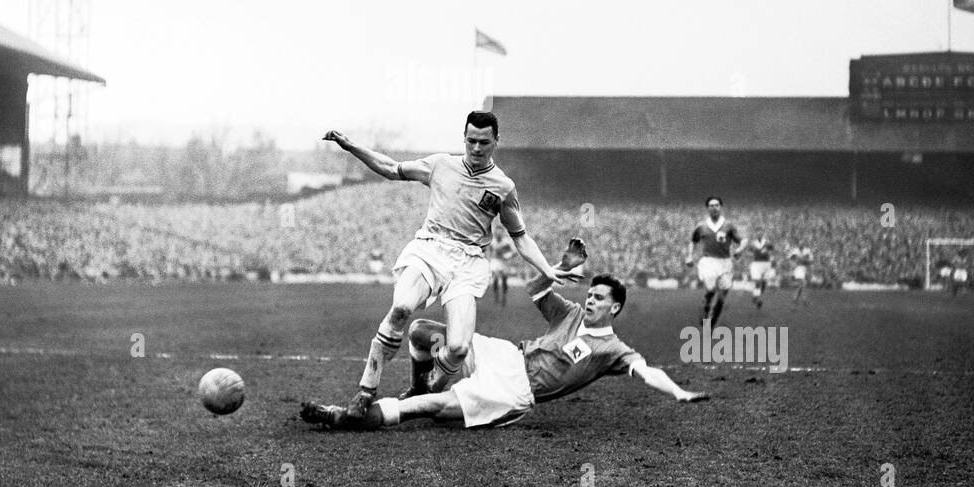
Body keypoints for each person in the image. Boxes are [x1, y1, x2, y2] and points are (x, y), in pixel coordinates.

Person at [299, 238, 705, 431]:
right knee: (422, 330)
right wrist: (557, 267)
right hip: (506, 354)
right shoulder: (571, 313)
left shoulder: (613, 348)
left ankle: (340, 416)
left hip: (515, 391)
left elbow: (647, 370)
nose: (592, 299)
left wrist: (678, 392)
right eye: (591, 293)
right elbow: (535, 291)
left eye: (600, 298)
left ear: (615, 307)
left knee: (426, 410)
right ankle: (417, 384)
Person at [322, 111, 565, 417]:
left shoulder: (503, 187)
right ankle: (366, 391)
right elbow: (390, 168)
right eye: (471, 141)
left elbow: (521, 237)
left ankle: (426, 390)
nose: (476, 148)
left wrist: (547, 269)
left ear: (496, 142)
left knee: (459, 348)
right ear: (464, 138)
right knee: (401, 308)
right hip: (431, 249)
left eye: (484, 142)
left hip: (468, 263)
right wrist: (351, 146)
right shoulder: (441, 165)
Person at [685, 196, 742, 327]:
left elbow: (742, 240)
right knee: (710, 289)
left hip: (725, 263)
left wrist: (740, 249)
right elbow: (693, 242)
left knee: (722, 298)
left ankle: (712, 321)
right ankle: (705, 311)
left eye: (716, 205)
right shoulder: (701, 226)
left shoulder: (728, 225)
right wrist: (689, 256)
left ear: (720, 207)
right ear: (707, 208)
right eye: (711, 205)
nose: (714, 207)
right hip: (708, 261)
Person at [488, 224, 515, 307]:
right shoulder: (492, 241)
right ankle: (496, 294)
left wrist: (507, 255)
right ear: (495, 232)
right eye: (497, 232)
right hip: (495, 261)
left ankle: (504, 295)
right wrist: (489, 260)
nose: (498, 233)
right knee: (495, 277)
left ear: (503, 232)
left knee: (504, 277)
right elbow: (489, 251)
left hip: (503, 261)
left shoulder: (506, 241)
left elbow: (514, 251)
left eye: (500, 231)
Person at [747, 233, 773, 309]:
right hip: (756, 264)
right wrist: (754, 253)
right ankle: (757, 300)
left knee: (764, 284)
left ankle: (755, 297)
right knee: (758, 282)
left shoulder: (767, 242)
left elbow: (772, 249)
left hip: (766, 264)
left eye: (761, 233)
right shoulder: (753, 243)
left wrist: (767, 251)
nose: (759, 235)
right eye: (758, 233)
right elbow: (748, 252)